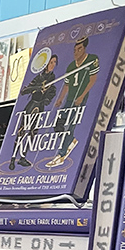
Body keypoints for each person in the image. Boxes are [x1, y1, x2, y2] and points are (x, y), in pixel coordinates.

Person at [47, 37, 99, 168]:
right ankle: (70, 141)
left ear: (84, 48)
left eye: (79, 49)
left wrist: (82, 96)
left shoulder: (91, 60)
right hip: (70, 99)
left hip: (80, 99)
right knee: (59, 124)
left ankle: (61, 154)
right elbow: (67, 84)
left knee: (70, 125)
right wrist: (60, 99)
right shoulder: (71, 66)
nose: (76, 52)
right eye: (75, 49)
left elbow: (93, 79)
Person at [8, 54, 57, 170]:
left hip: (40, 107)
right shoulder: (38, 78)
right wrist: (38, 87)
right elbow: (24, 91)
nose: (53, 65)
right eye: (51, 62)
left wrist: (47, 98)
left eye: (55, 62)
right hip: (32, 105)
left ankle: (23, 157)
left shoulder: (52, 78)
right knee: (21, 131)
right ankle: (13, 158)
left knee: (33, 133)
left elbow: (51, 92)